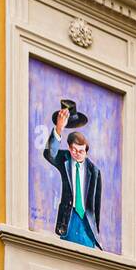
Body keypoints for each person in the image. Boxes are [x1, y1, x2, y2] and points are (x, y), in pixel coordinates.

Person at [43, 100, 103, 249]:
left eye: (81, 151)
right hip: (68, 218)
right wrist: (59, 129)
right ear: (69, 149)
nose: (77, 154)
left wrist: (96, 230)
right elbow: (49, 154)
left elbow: (96, 203)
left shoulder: (94, 171)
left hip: (87, 223)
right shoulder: (64, 160)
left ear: (86, 150)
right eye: (74, 150)